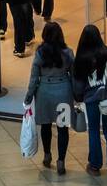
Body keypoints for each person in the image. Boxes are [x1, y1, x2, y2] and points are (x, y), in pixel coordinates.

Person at [71, 24, 107, 181]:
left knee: (93, 130)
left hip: (91, 100)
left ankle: (95, 165)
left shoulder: (81, 58)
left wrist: (78, 96)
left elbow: (78, 82)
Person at [25, 22, 76, 175]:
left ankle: (47, 154)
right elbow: (74, 76)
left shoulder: (40, 53)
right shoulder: (68, 52)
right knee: (62, 128)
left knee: (45, 126)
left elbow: (34, 78)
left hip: (44, 93)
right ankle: (61, 161)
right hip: (63, 92)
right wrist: (77, 94)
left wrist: (28, 97)